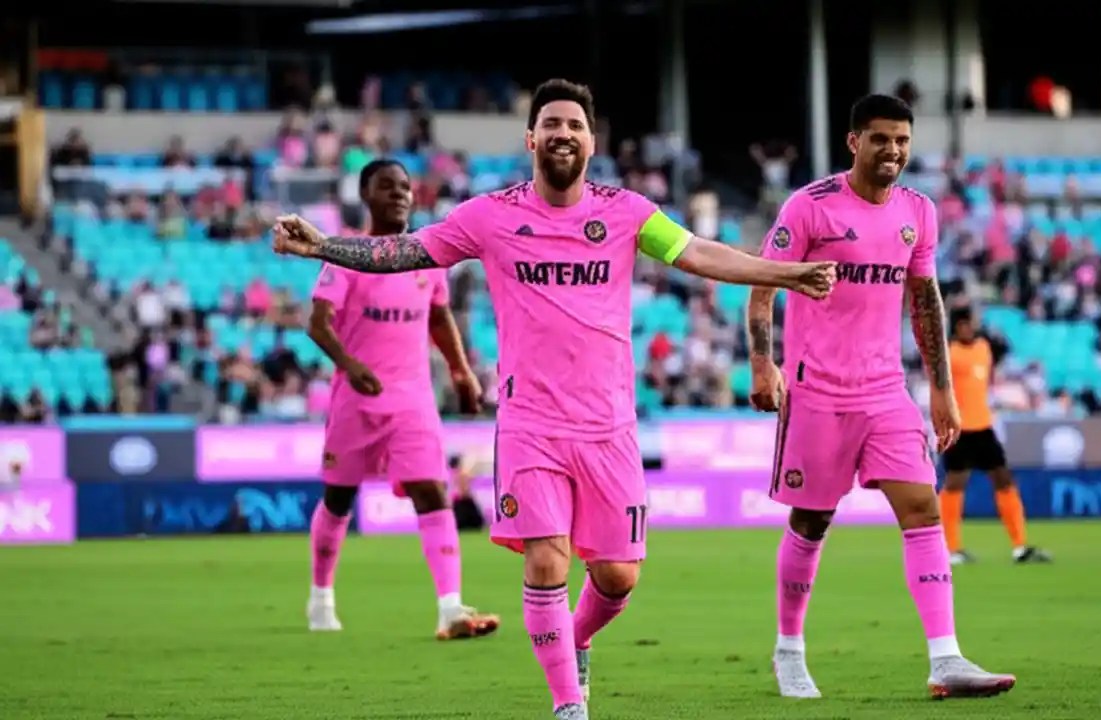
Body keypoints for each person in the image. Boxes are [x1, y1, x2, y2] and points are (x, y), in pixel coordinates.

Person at [272, 79, 836, 720]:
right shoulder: (490, 216)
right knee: (545, 560)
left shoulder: (627, 212)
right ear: (531, 138)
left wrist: (785, 273)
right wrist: (321, 246)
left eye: (575, 124)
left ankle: (578, 639)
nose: (563, 133)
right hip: (529, 423)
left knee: (619, 576)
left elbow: (700, 254)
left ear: (592, 141)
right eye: (552, 124)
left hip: (609, 426)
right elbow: (406, 250)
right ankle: (568, 705)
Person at [745, 94, 1016, 702]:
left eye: (902, 140)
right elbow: (762, 286)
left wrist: (942, 391)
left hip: (886, 391)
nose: (893, 150)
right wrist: (763, 365)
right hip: (815, 393)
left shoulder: (918, 212)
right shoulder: (809, 208)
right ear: (854, 142)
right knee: (812, 519)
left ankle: (945, 658)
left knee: (921, 507)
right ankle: (790, 649)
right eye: (881, 139)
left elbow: (925, 300)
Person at [305, 159, 500, 641]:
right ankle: (321, 596)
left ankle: (450, 608)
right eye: (387, 186)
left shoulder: (425, 256)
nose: (399, 194)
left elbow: (439, 317)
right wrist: (351, 367)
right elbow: (318, 322)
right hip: (357, 397)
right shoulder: (346, 255)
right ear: (365, 195)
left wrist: (459, 370)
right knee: (339, 498)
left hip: (412, 399)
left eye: (406, 187)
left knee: (432, 491)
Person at [940, 306, 1052, 566]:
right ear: (958, 327)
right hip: (958, 428)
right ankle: (950, 548)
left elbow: (1000, 355)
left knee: (1003, 479)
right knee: (955, 485)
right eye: (969, 323)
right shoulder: (949, 354)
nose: (973, 327)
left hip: (983, 425)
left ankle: (1019, 546)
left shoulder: (983, 347)